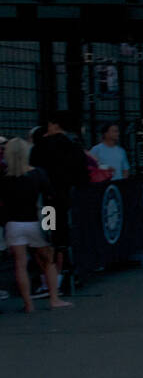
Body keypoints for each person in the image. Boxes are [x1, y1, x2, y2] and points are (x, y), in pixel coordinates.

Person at [2, 138, 72, 312]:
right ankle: (54, 298)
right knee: (48, 261)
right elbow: (50, 200)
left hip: (13, 224)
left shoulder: (4, 178)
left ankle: (28, 304)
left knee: (20, 265)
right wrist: (51, 226)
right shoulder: (38, 174)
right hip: (35, 222)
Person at [29, 110, 89, 294]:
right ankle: (65, 273)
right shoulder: (74, 147)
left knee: (49, 237)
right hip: (66, 198)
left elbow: (33, 170)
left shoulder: (40, 147)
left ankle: (49, 278)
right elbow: (82, 176)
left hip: (48, 200)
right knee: (64, 236)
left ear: (54, 125)